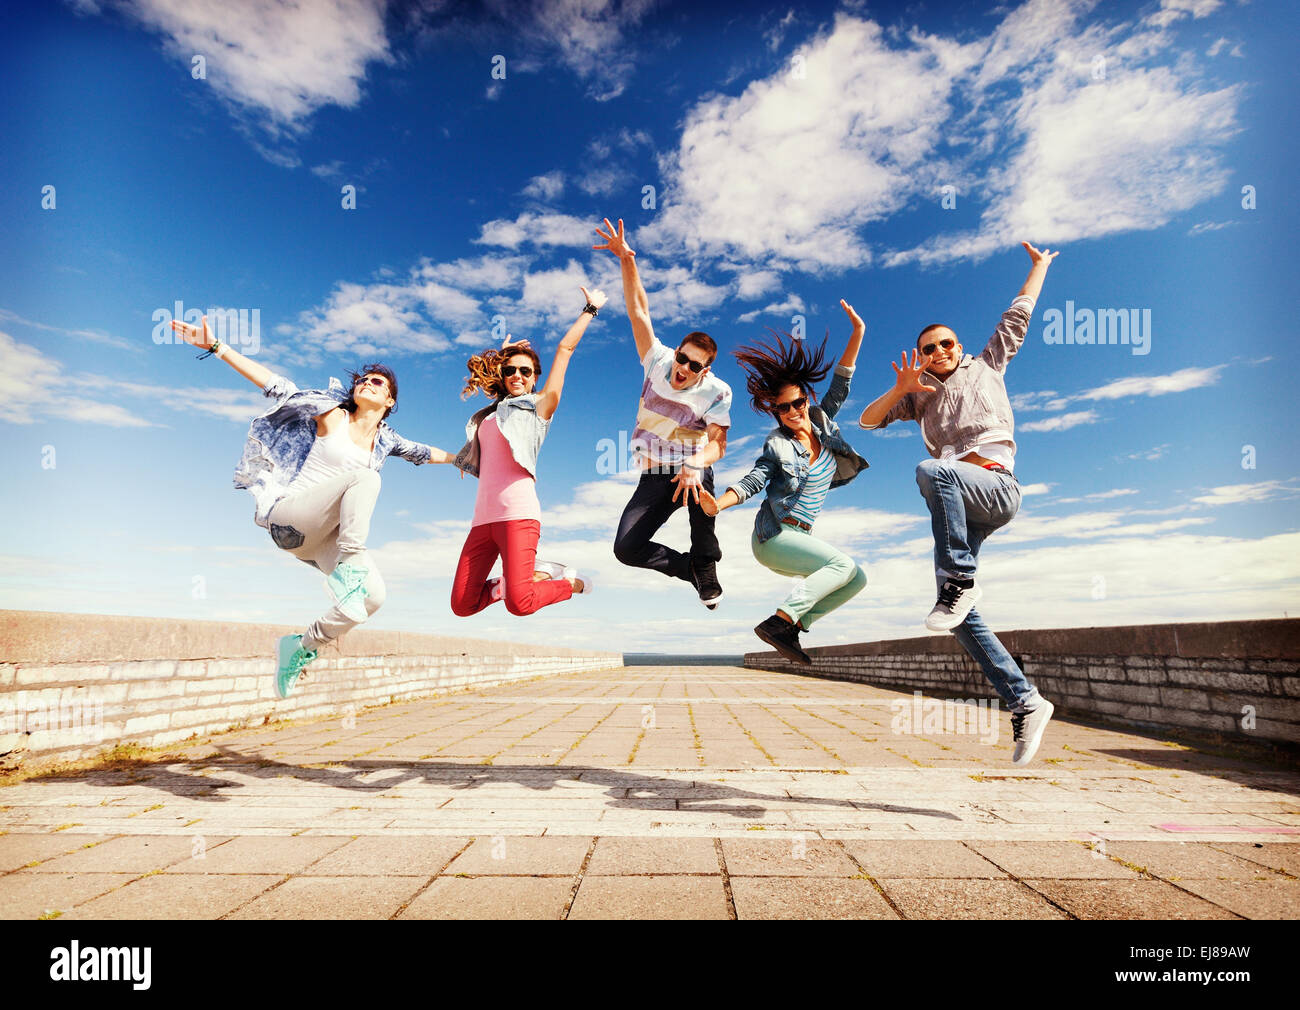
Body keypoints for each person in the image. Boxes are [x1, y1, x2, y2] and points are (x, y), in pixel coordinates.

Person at [170, 314, 457, 700]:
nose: (367, 383)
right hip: (289, 518)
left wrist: (467, 461)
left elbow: (427, 453)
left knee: (371, 599)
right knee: (366, 479)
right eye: (364, 379)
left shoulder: (387, 441)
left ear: (390, 400)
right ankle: (350, 568)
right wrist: (217, 347)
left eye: (378, 382)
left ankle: (300, 647)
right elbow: (276, 385)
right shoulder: (332, 414)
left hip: (321, 539)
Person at [857, 241, 1060, 765]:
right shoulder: (918, 393)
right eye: (929, 349)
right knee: (956, 617)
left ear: (958, 346)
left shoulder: (987, 365)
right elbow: (867, 421)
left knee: (932, 470)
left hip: (994, 486)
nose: (939, 352)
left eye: (945, 344)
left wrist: (1037, 268)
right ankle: (1026, 701)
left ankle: (959, 580)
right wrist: (901, 387)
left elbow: (1019, 315)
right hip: (961, 502)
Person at [699, 300, 869, 663]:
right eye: (783, 407)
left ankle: (792, 626)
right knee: (840, 565)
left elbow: (842, 381)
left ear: (806, 400)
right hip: (773, 537)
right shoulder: (777, 444)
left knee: (856, 578)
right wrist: (719, 503)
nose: (793, 412)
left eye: (798, 403)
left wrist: (857, 332)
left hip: (799, 539)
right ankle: (780, 620)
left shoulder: (822, 422)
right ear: (774, 411)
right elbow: (754, 480)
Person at [593, 217, 732, 609]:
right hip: (654, 475)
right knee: (626, 548)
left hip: (689, 468)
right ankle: (686, 567)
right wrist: (626, 259)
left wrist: (694, 464)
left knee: (701, 481)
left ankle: (705, 565)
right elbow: (639, 310)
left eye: (693, 365)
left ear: (705, 369)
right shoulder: (657, 360)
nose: (682, 369)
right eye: (682, 358)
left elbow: (718, 445)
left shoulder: (717, 391)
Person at [449, 286, 604, 617]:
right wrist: (503, 355)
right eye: (510, 371)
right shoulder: (491, 413)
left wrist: (589, 309)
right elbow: (492, 382)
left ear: (535, 379)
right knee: (462, 604)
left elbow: (565, 349)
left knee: (520, 605)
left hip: (519, 515)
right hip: (482, 520)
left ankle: (570, 584)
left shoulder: (539, 409)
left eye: (525, 371)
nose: (516, 376)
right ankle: (517, 579)